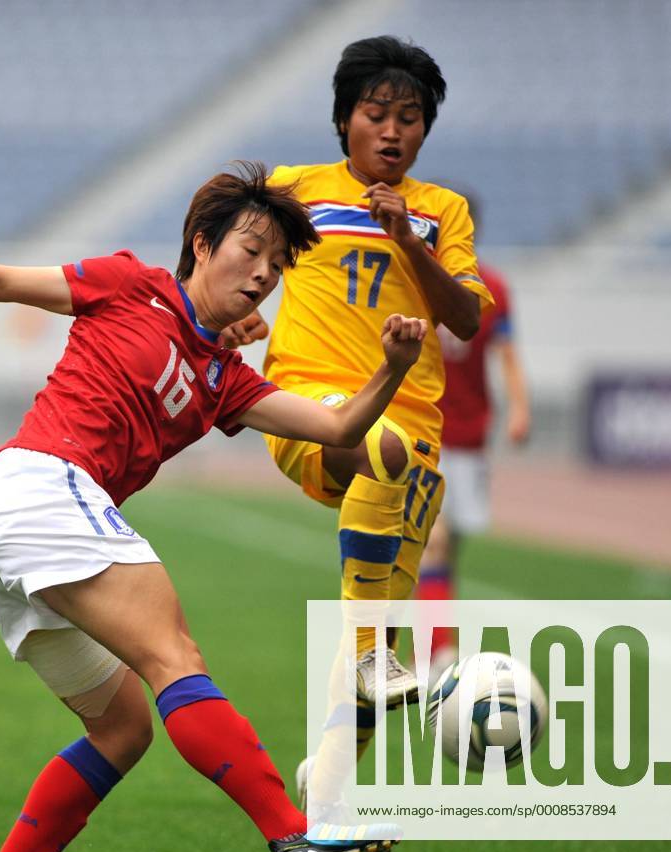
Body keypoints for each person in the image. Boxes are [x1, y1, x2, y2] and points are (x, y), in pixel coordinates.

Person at [0, 163, 424, 852]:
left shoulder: (225, 382)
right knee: (174, 658)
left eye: (276, 267)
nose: (262, 274)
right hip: (41, 486)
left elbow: (335, 432)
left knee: (123, 727)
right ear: (202, 243)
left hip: (17, 526)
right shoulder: (131, 284)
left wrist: (392, 369)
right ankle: (295, 830)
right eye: (250, 251)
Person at [252, 37, 495, 773]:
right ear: (344, 119)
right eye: (376, 112)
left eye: (411, 117)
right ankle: (367, 659)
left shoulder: (440, 212)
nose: (393, 130)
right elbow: (225, 236)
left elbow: (464, 318)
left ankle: (329, 795)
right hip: (308, 401)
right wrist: (222, 312)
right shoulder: (295, 189)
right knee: (378, 447)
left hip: (415, 427)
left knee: (384, 622)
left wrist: (406, 240)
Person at [417, 193, 531, 666]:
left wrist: (519, 407)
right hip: (422, 429)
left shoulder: (494, 289)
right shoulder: (412, 278)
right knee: (434, 539)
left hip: (470, 434)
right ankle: (436, 653)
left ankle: (432, 639)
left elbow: (505, 351)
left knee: (450, 545)